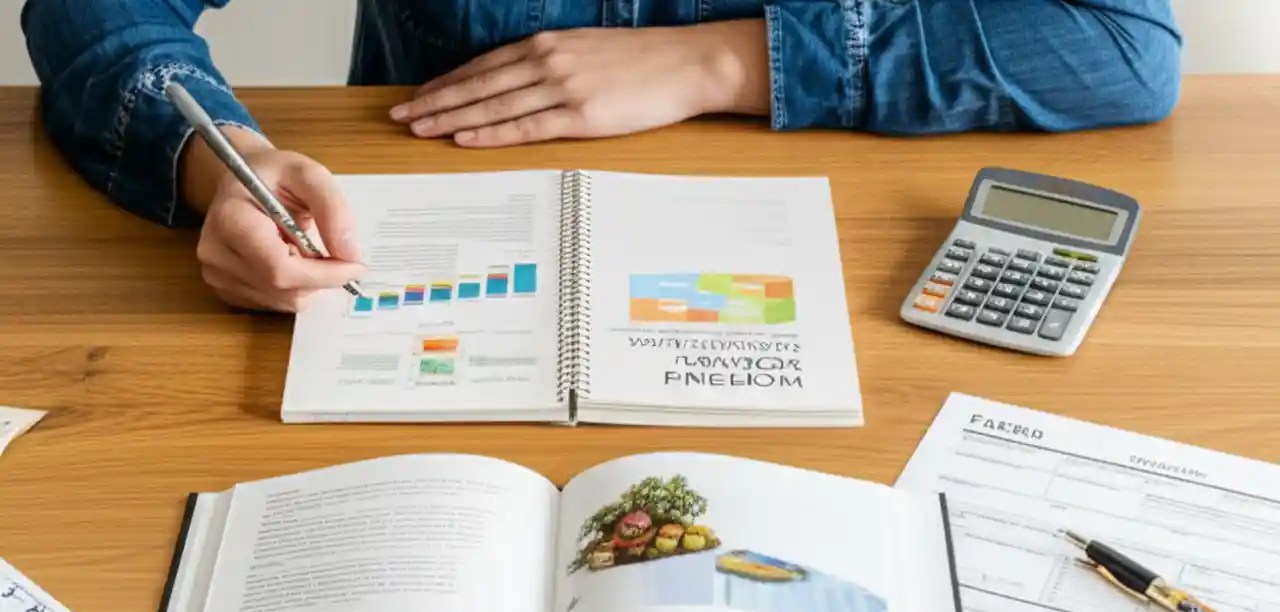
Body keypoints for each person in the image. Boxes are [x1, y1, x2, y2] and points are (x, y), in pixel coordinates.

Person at [21, 0, 1182, 313]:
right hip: (411, 271)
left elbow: (1123, 46)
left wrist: (721, 62)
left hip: (818, 278)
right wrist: (221, 165)